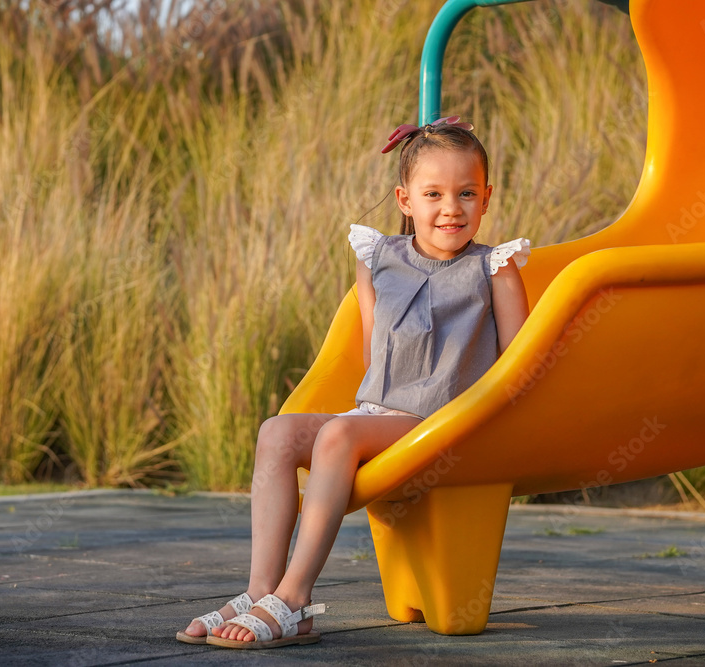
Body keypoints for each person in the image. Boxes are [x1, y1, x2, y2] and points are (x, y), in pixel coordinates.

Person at [177, 116, 531, 649]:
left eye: (466, 193)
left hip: (449, 420)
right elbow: (373, 350)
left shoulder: (494, 268)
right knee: (276, 431)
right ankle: (259, 591)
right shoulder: (377, 258)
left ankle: (295, 598)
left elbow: (520, 363)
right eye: (433, 193)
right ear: (404, 199)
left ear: (487, 197)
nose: (451, 208)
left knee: (338, 436)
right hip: (382, 413)